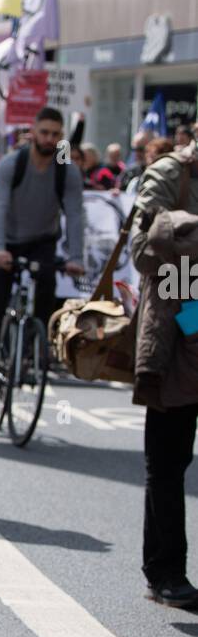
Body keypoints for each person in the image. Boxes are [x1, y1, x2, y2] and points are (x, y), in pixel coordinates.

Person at [0, 106, 85, 413]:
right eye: (44, 132)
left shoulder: (67, 170)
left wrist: (76, 257)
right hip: (6, 241)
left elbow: (75, 214)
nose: (49, 139)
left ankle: (31, 350)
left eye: (55, 134)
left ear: (61, 137)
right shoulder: (13, 163)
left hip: (41, 242)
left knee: (45, 297)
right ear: (34, 132)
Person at [131, 132, 198, 607]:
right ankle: (166, 570)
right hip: (181, 308)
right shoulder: (171, 173)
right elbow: (143, 252)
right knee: (169, 459)